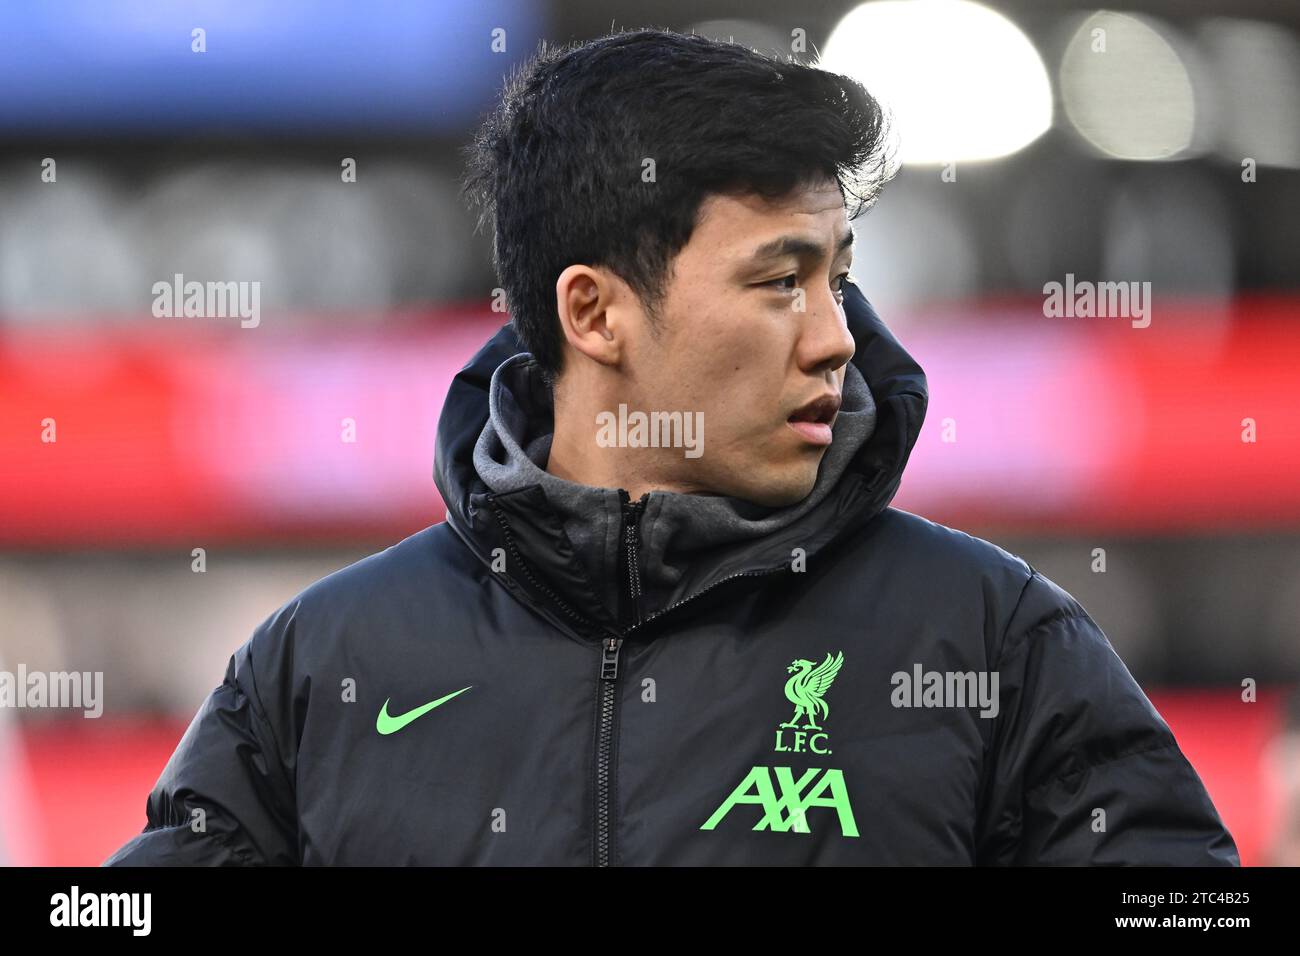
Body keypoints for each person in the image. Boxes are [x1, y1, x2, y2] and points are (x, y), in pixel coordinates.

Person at [105, 28, 1237, 866]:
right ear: (595, 313)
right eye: (777, 282)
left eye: (838, 276)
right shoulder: (323, 664)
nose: (839, 337)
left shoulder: (996, 637)